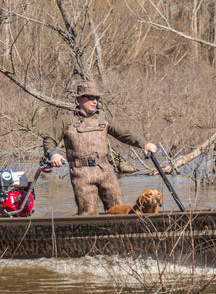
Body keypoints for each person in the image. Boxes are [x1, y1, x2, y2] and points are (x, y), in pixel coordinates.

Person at [42, 81, 158, 215]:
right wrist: (53, 154)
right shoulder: (66, 120)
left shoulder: (104, 118)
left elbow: (124, 133)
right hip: (81, 173)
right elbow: (49, 139)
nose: (94, 101)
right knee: (88, 213)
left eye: (96, 98)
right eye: (90, 98)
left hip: (105, 171)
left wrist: (144, 143)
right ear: (79, 99)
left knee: (118, 211)